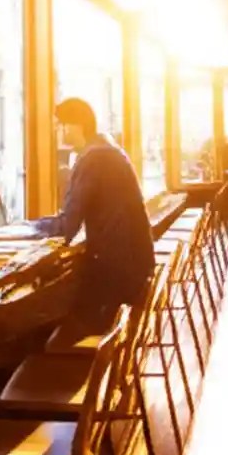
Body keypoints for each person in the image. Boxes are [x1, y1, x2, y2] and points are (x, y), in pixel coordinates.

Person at [33, 98, 155, 324]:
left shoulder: (93, 159)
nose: (58, 132)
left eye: (61, 126)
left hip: (117, 274)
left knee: (48, 315)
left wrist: (30, 227)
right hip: (135, 265)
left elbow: (67, 227)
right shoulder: (107, 149)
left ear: (75, 126)